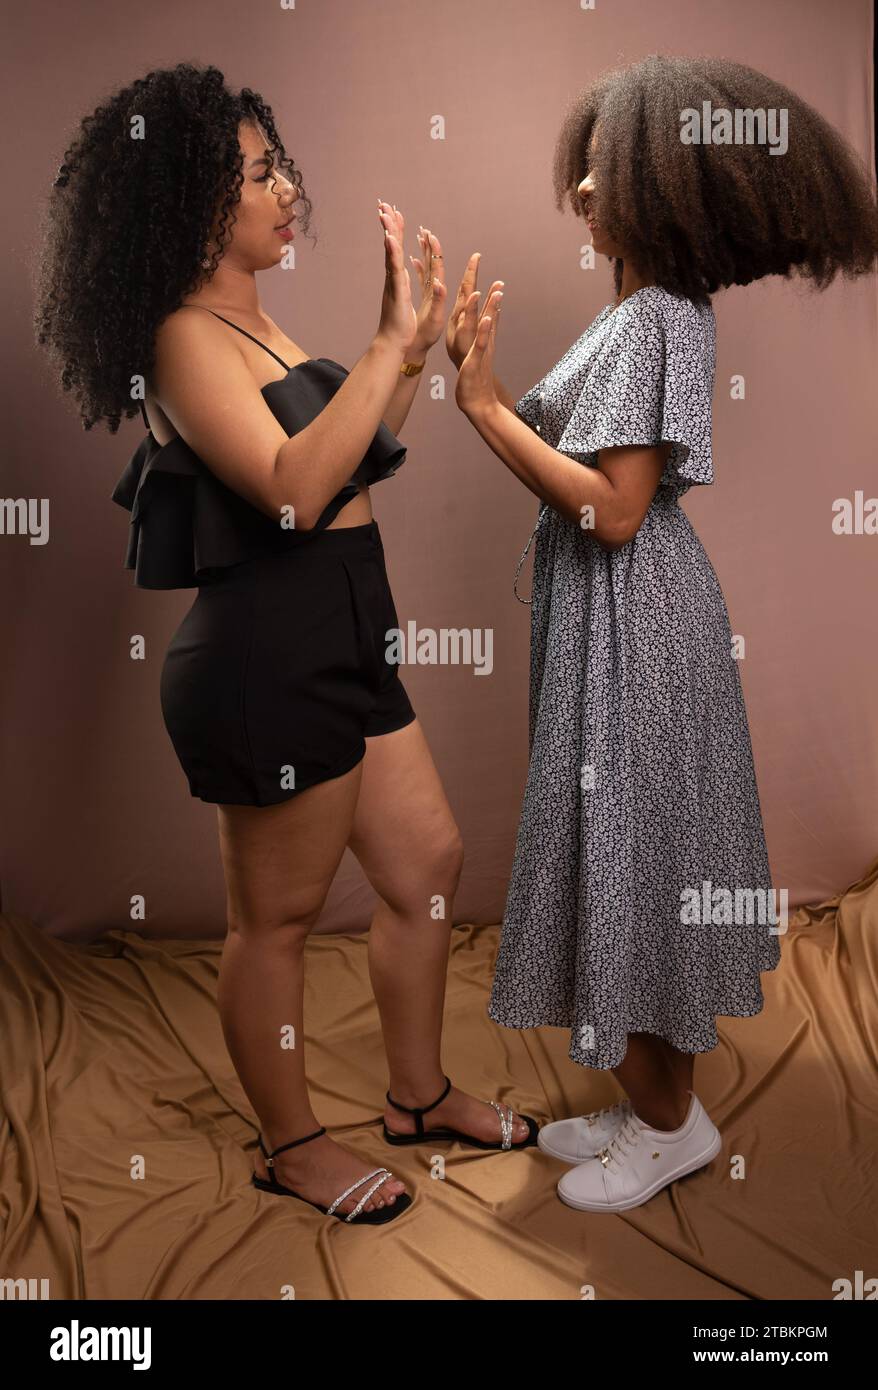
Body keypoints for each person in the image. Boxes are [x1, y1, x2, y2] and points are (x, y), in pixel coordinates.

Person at [34, 62, 538, 1228]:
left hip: (347, 627)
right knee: (279, 921)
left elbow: (353, 451)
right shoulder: (179, 339)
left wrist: (409, 355)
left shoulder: (251, 319)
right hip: (265, 657)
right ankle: (291, 1144)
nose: (284, 189)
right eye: (258, 172)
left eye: (277, 166)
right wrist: (378, 347)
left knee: (424, 869)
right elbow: (287, 495)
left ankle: (414, 1100)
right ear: (192, 198)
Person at [442, 53, 878, 1213]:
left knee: (628, 855)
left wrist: (483, 406)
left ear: (665, 184)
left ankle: (669, 1123)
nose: (581, 188)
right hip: (633, 616)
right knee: (643, 852)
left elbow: (615, 510)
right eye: (581, 164)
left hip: (632, 615)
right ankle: (653, 1106)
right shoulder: (653, 309)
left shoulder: (650, 318)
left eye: (604, 167)